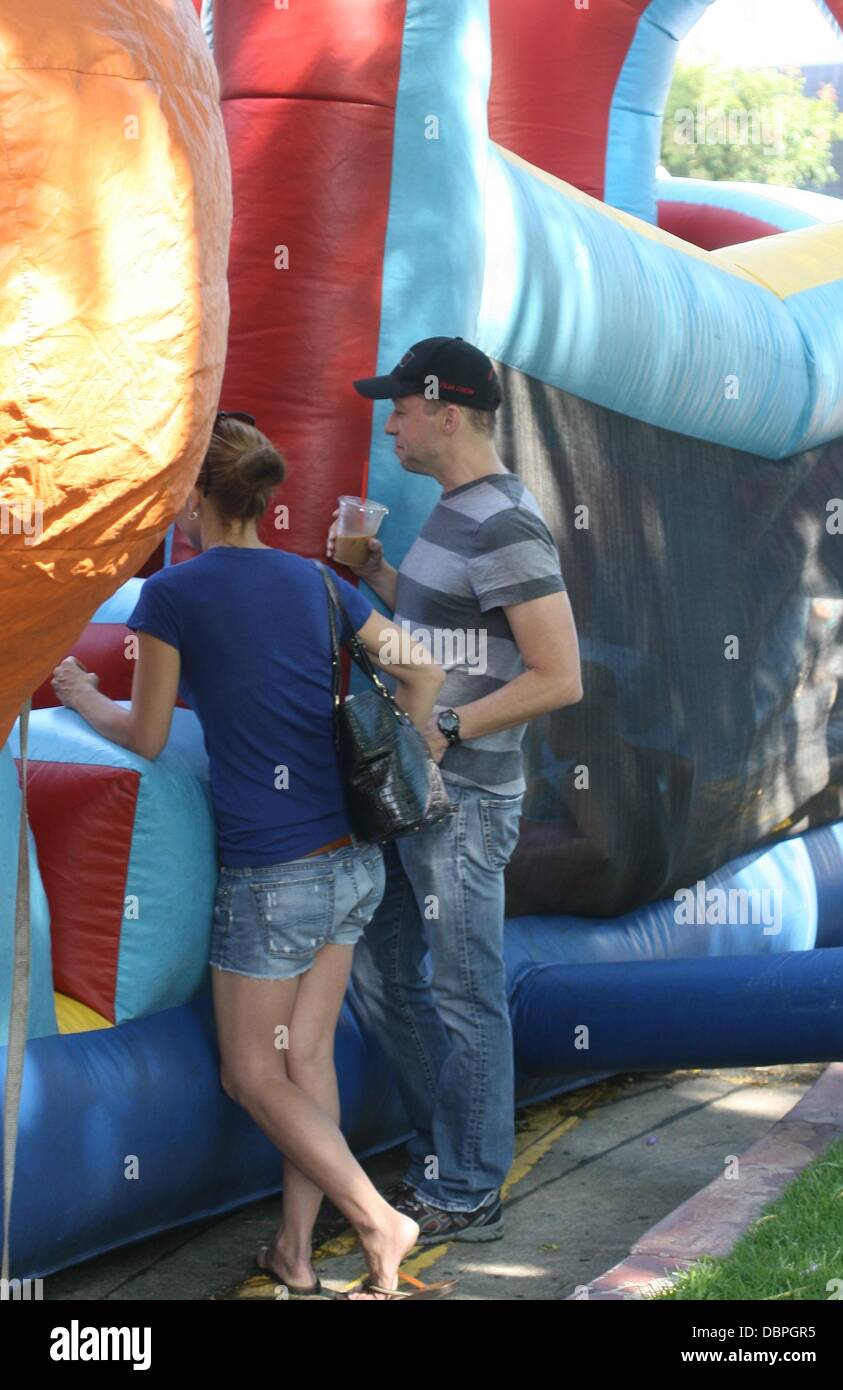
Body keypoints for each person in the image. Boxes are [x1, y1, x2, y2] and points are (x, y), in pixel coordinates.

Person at [50, 410, 456, 1300]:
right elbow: (424, 668)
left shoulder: (173, 595)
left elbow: (147, 735)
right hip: (353, 858)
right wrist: (416, 742)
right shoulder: (316, 581)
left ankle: (378, 1218)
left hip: (272, 873)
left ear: (196, 500)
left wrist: (79, 695)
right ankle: (295, 1254)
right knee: (306, 1061)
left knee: (250, 1075)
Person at [329, 337, 583, 1242]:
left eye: (399, 409)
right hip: (416, 792)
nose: (389, 426)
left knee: (462, 991)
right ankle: (440, 1158)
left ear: (445, 413)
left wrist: (448, 727)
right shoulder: (455, 507)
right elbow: (452, 633)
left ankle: (470, 1184)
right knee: (386, 977)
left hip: (465, 802)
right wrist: (379, 577)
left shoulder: (506, 524)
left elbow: (559, 676)